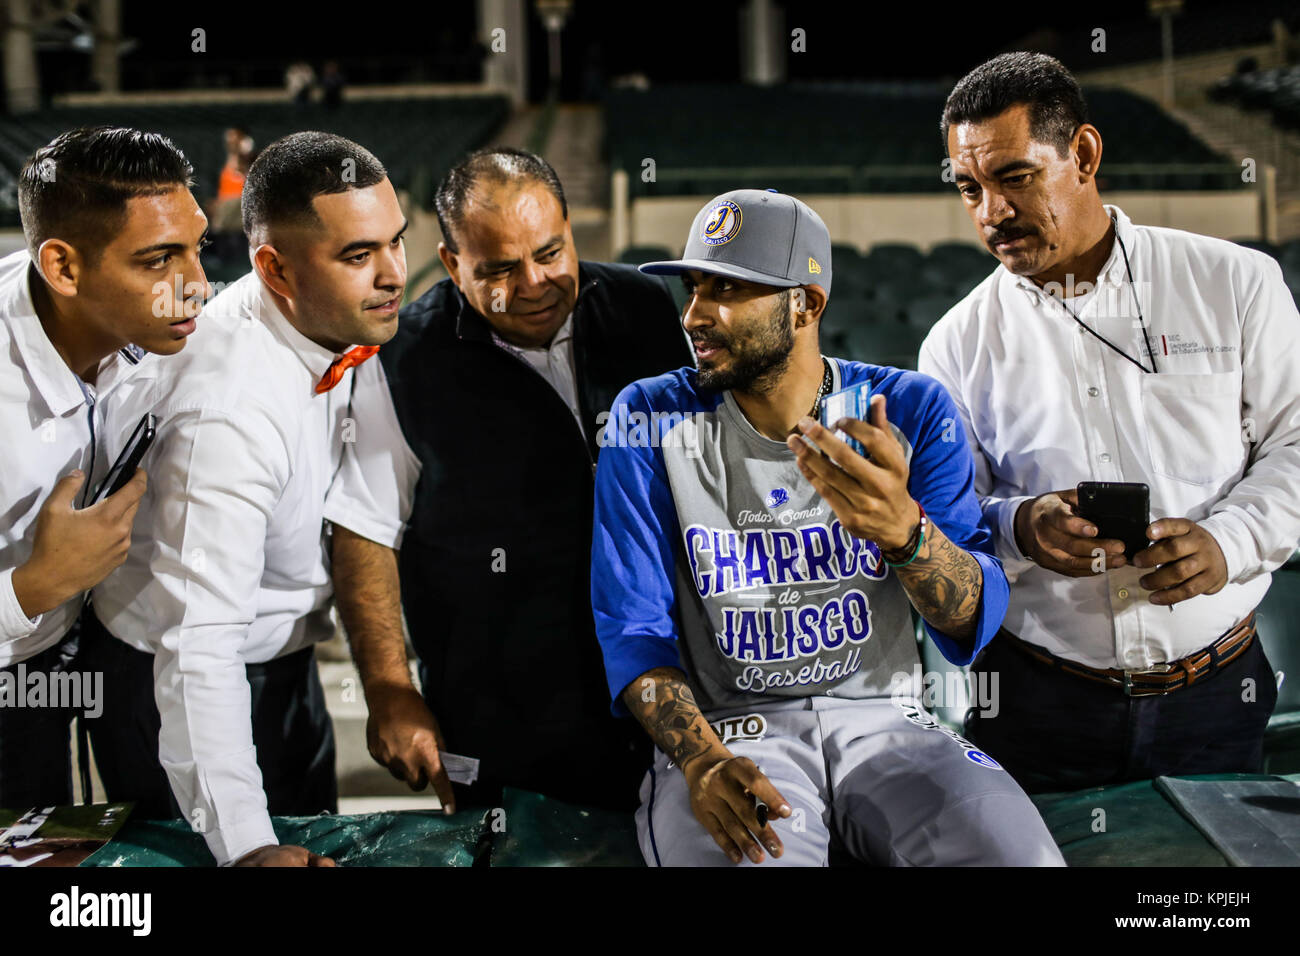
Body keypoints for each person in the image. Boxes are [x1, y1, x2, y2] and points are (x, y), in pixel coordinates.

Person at [592, 188, 1064, 866]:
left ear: (805, 305)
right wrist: (700, 761)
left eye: (727, 289)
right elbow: (633, 628)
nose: (695, 314)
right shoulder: (651, 415)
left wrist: (906, 534)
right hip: (735, 730)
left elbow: (969, 621)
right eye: (693, 288)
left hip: (891, 721)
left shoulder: (907, 407)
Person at [918, 52, 1300, 793]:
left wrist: (1231, 540)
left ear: (1084, 154)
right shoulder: (955, 343)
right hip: (1037, 700)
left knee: (1198, 906)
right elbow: (948, 519)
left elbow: (1295, 440)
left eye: (1014, 178)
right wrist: (1022, 526)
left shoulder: (1235, 283)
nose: (990, 211)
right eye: (970, 188)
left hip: (1218, 695)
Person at [327, 147, 692, 812]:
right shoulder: (399, 360)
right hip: (494, 708)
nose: (532, 282)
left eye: (550, 253)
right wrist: (388, 688)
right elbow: (363, 531)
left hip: (659, 686)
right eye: (498, 268)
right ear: (451, 264)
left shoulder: (645, 308)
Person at [83, 131, 406, 866]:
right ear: (273, 268)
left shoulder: (333, 320)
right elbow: (197, 644)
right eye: (358, 255)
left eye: (396, 240)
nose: (392, 274)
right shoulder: (226, 410)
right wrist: (247, 845)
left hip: (281, 661)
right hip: (180, 681)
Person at [0, 127, 207, 810]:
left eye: (196, 247)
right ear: (63, 267)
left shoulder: (146, 320)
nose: (196, 286)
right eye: (158, 260)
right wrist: (33, 586)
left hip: (68, 655)